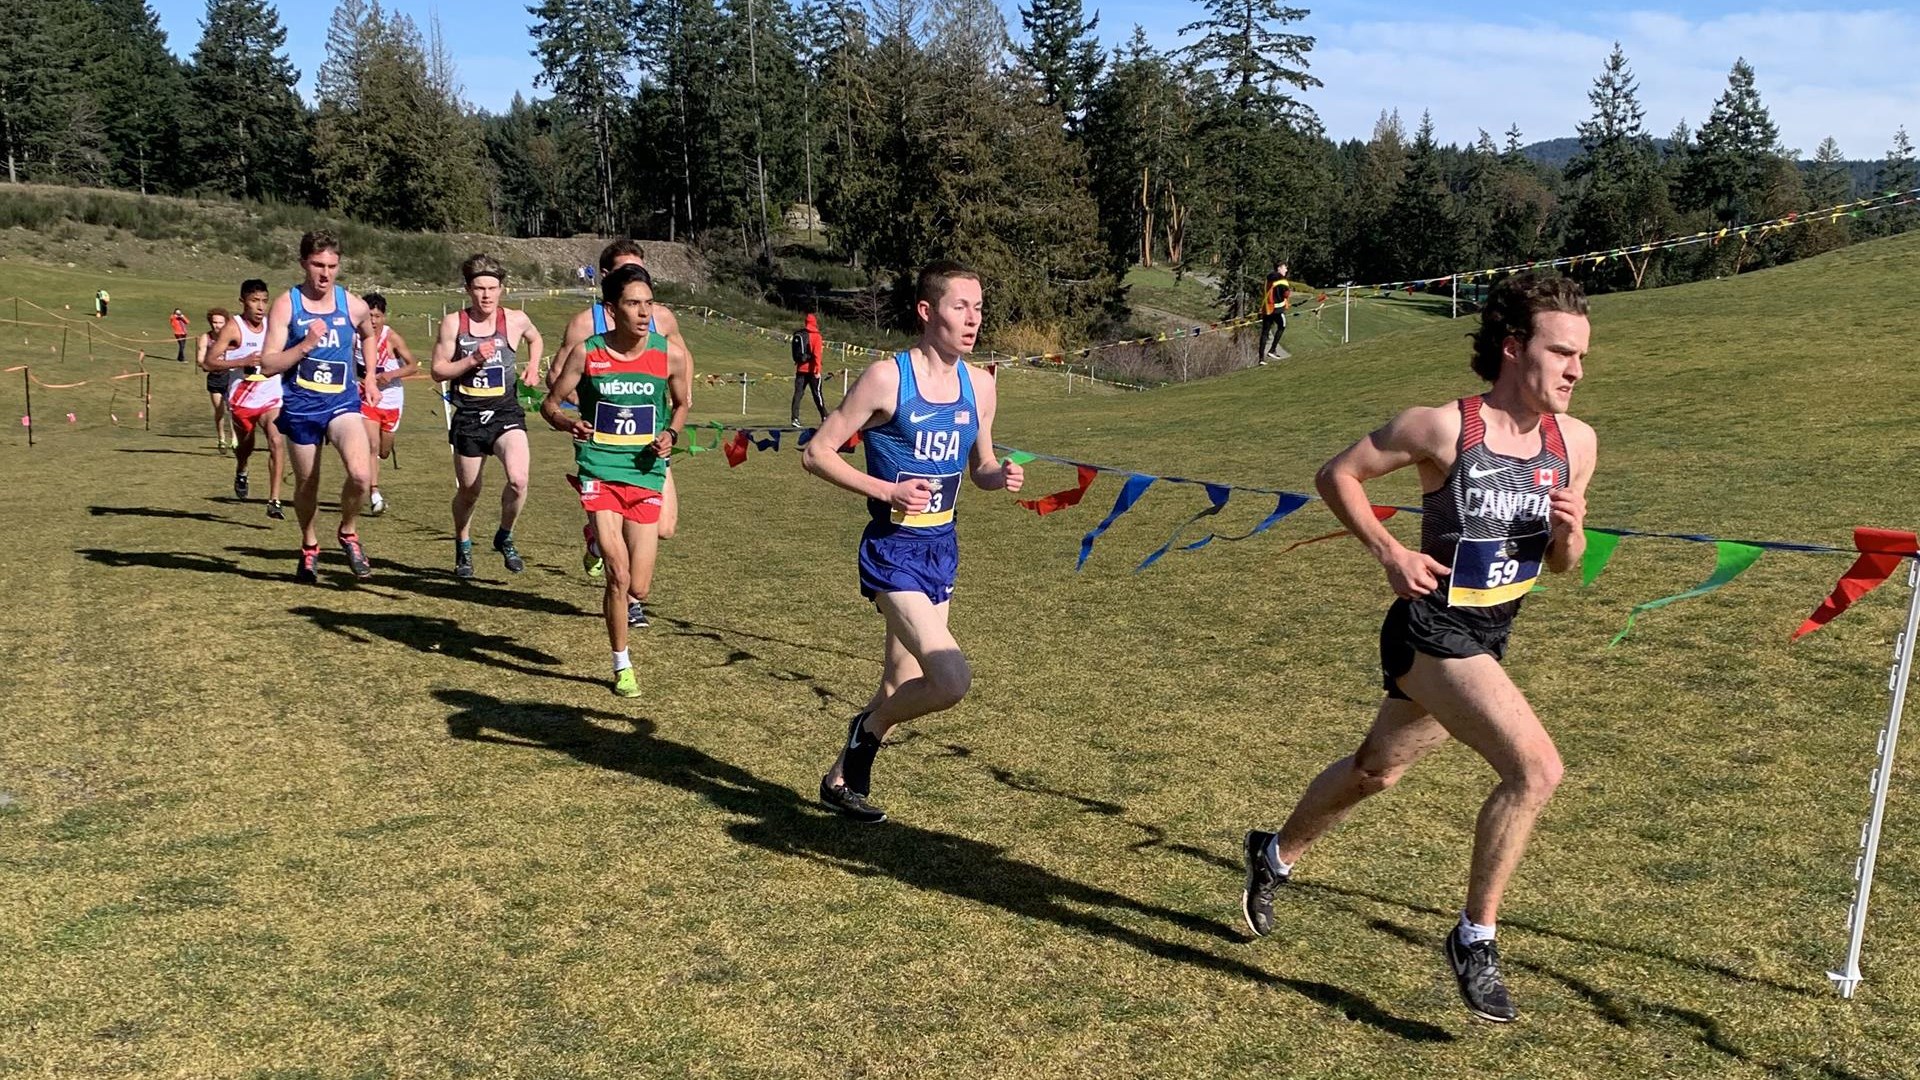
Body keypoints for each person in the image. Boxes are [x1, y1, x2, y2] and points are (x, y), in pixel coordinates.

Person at [1240, 272, 1596, 1024]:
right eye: (1561, 352)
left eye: (1582, 358)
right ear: (1512, 349)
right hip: (1429, 630)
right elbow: (1336, 474)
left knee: (1375, 773)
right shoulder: (1444, 428)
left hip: (1488, 639)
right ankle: (1475, 937)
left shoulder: (1577, 444)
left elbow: (1562, 566)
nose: (1574, 370)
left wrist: (1570, 533)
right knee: (1537, 770)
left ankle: (1272, 855)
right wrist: (1390, 553)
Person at [803, 260, 1025, 824]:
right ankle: (867, 730)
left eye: (978, 307)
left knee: (902, 680)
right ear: (927, 312)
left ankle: (838, 782)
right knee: (951, 679)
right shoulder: (887, 378)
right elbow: (817, 452)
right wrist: (887, 488)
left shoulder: (981, 384)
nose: (973, 319)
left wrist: (998, 478)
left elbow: (983, 463)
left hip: (941, 547)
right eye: (960, 307)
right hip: (892, 549)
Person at [540, 263, 692, 697]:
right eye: (633, 304)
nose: (644, 313)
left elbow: (682, 403)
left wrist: (671, 433)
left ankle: (591, 539)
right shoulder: (588, 353)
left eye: (648, 303)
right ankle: (621, 664)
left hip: (644, 472)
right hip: (599, 471)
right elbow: (550, 405)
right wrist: (569, 423)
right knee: (618, 575)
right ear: (612, 309)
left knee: (640, 587)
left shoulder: (671, 355)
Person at [552, 240, 687, 608]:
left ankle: (599, 545)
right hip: (606, 454)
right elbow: (555, 378)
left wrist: (671, 428)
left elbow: (681, 375)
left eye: (642, 272)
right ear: (608, 279)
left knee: (666, 528)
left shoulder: (663, 319)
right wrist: (597, 406)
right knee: (624, 558)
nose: (637, 279)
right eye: (629, 271)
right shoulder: (585, 324)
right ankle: (628, 599)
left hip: (649, 447)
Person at [254, 231, 381, 582]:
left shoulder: (351, 304)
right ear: (303, 264)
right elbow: (267, 364)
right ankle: (310, 545)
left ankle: (348, 532)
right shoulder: (287, 305)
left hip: (342, 404)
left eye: (332, 266)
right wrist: (306, 344)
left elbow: (369, 334)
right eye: (317, 265)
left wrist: (369, 377)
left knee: (360, 474)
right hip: (301, 408)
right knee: (308, 483)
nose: (325, 274)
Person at [429, 255, 544, 579]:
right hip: (468, 415)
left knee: (519, 480)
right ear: (468, 289)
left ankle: (505, 536)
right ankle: (463, 543)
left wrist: (533, 366)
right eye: (479, 288)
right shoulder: (454, 323)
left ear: (501, 289)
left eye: (492, 288)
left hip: (505, 411)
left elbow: (536, 339)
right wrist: (471, 360)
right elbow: (438, 371)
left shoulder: (516, 320)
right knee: (469, 490)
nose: (486, 295)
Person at [202, 280, 287, 519]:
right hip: (243, 399)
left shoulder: (273, 326)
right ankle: (241, 469)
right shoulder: (234, 327)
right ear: (242, 301)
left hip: (271, 395)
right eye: (254, 301)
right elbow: (209, 362)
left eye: (263, 301)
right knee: (246, 447)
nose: (260, 307)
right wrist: (242, 362)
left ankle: (274, 500)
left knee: (276, 441)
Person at [358, 292, 420, 516]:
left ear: (384, 317)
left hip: (392, 400)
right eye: (369, 316)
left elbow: (413, 366)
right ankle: (374, 493)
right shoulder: (355, 336)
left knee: (383, 451)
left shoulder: (391, 337)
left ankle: (384, 451)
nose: (372, 321)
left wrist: (391, 375)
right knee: (371, 446)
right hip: (366, 399)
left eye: (376, 316)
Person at [195, 308, 233, 451]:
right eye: (214, 322)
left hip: (230, 376)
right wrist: (208, 364)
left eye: (220, 322)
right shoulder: (206, 337)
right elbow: (200, 359)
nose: (217, 325)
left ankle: (235, 438)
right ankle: (221, 439)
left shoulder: (231, 337)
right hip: (215, 377)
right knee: (219, 409)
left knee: (233, 409)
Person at [790, 311, 828, 427]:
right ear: (815, 323)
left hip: (800, 369)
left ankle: (794, 418)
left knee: (798, 394)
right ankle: (824, 416)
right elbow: (817, 355)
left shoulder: (800, 334)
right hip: (812, 370)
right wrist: (817, 370)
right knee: (817, 394)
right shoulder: (816, 336)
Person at [1258, 262, 1290, 362]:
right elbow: (1286, 294)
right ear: (1279, 268)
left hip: (1267, 309)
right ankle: (1272, 350)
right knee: (1282, 326)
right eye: (1285, 268)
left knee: (1265, 333)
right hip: (1277, 309)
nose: (1286, 270)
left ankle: (1261, 359)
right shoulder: (1283, 280)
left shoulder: (1268, 279)